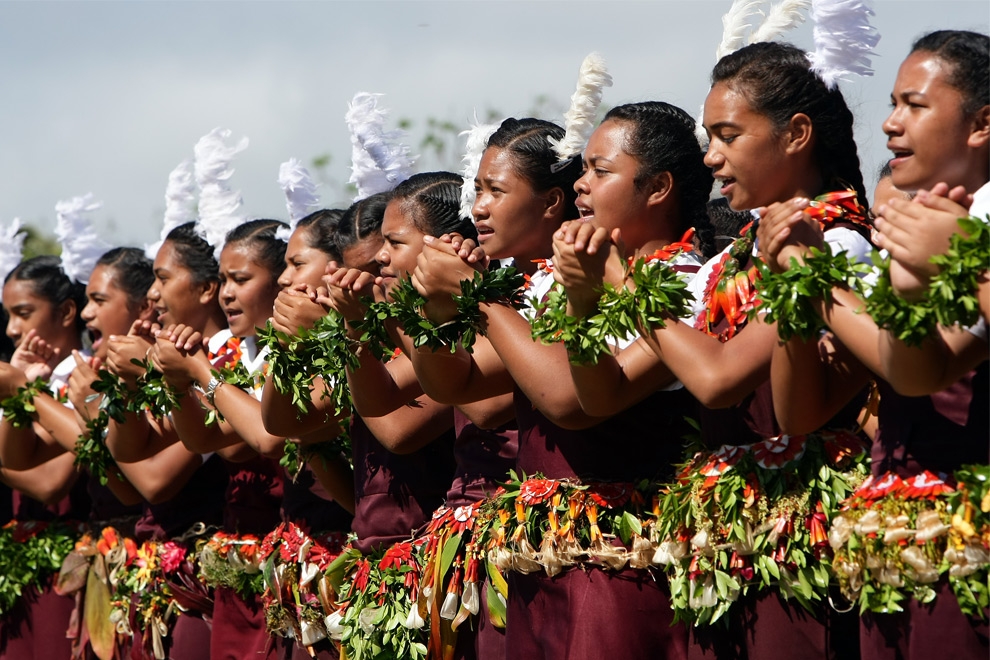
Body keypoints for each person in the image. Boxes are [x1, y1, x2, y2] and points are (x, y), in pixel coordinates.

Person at [756, 30, 989, 660]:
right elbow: (801, 414)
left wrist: (965, 259)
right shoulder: (932, 232)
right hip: (899, 542)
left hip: (970, 534)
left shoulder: (960, 233)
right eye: (892, 104)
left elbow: (916, 373)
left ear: (982, 124)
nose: (889, 124)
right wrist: (800, 279)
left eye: (914, 105)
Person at [151, 219, 289, 660]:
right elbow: (199, 438)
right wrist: (176, 383)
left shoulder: (286, 354)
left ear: (282, 279)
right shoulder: (230, 349)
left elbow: (244, 442)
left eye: (240, 280)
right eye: (224, 279)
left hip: (285, 559)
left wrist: (198, 373)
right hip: (237, 556)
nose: (226, 293)